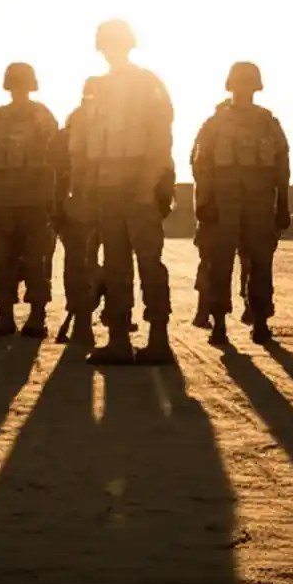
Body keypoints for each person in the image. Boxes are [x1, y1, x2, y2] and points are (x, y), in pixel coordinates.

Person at [69, 19, 174, 364]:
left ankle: (158, 338)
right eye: (107, 44)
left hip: (139, 183)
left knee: (148, 263)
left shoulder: (148, 84)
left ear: (128, 45)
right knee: (114, 265)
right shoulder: (94, 87)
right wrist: (81, 184)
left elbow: (161, 137)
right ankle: (118, 340)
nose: (112, 50)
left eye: (116, 43)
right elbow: (81, 140)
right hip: (106, 186)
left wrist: (149, 183)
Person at [192, 61, 290, 345]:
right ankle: (219, 322)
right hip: (223, 205)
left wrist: (282, 204)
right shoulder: (214, 124)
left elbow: (282, 165)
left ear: (256, 88)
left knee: (260, 263)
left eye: (249, 85)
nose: (244, 90)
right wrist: (205, 202)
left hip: (259, 205)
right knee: (219, 263)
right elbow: (200, 165)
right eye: (239, 84)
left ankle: (260, 321)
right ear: (231, 86)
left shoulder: (268, 124)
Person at [0, 63, 60, 337]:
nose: (18, 89)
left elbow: (57, 158)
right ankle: (5, 315)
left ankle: (37, 316)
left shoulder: (43, 116)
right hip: (3, 201)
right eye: (15, 84)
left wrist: (53, 197)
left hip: (34, 199)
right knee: (3, 259)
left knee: (36, 259)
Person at [54, 79, 100, 344]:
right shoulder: (115, 121)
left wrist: (57, 207)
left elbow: (56, 174)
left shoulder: (71, 126)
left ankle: (83, 321)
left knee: (78, 265)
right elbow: (58, 172)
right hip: (91, 203)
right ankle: (104, 318)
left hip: (83, 205)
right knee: (92, 264)